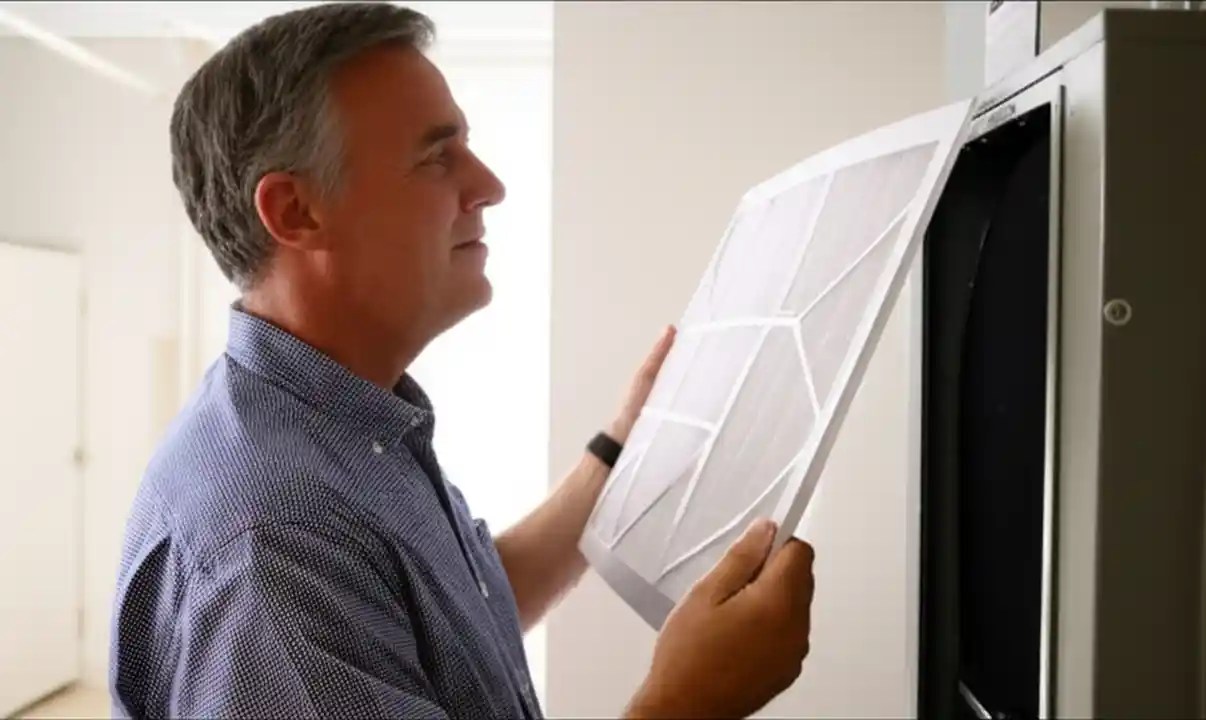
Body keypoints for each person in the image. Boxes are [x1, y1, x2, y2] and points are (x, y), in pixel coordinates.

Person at [109, 3, 815, 718]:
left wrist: (619, 446)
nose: (489, 186)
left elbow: (458, 608)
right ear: (295, 211)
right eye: (436, 156)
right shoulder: (277, 542)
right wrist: (689, 700)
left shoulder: (338, 425)